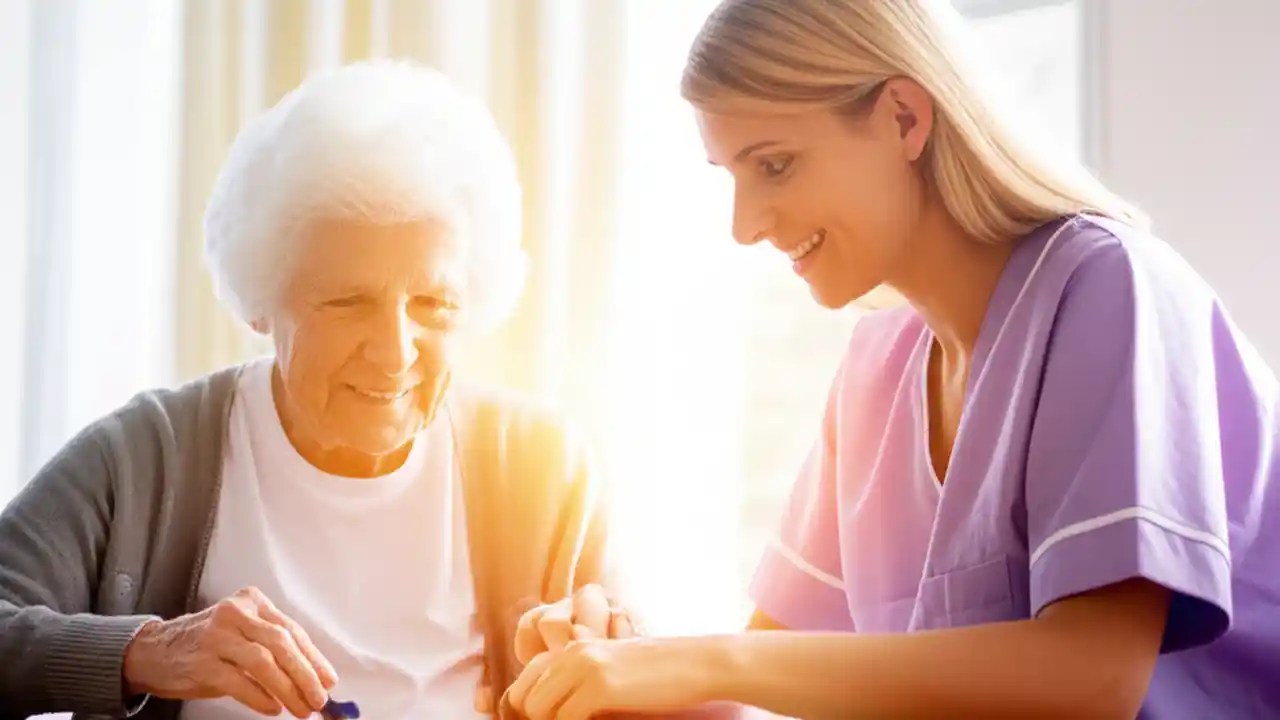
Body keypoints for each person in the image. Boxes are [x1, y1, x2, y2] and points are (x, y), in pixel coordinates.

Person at [506, 1, 1280, 718]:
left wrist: (702, 663)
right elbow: (763, 678)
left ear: (905, 118)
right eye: (732, 176)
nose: (745, 227)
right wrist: (616, 668)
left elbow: (1095, 676)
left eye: (773, 165)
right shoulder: (875, 372)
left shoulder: (1111, 287)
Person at [0, 60, 633, 719]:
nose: (393, 353)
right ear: (262, 300)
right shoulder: (146, 455)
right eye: (347, 302)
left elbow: (639, 676)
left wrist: (606, 656)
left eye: (433, 304)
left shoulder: (540, 464)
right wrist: (151, 649)